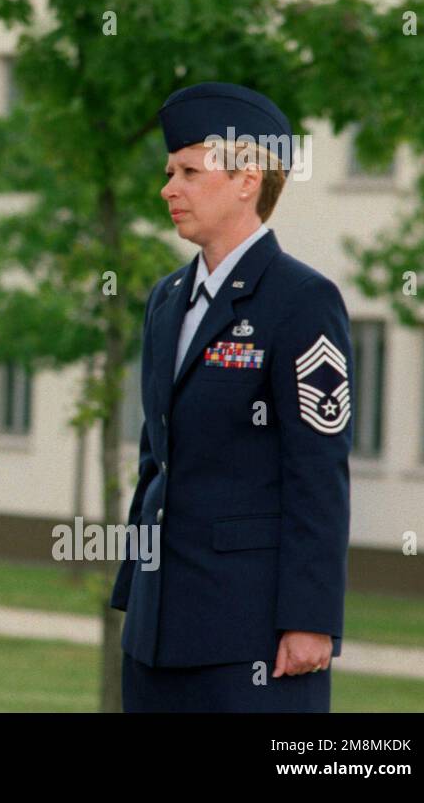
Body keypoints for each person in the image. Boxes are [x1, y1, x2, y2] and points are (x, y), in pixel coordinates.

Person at [110, 81, 352, 712]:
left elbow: (318, 472)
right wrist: (134, 589)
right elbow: (154, 459)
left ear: (248, 178)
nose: (169, 188)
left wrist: (310, 618)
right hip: (158, 633)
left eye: (190, 171)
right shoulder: (167, 300)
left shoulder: (301, 301)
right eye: (170, 172)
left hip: (250, 636)